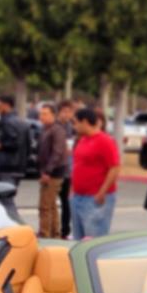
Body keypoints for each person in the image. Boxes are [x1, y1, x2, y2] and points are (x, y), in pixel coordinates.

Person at [71, 107, 120, 239]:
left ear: (85, 122)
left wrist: (102, 192)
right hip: (78, 197)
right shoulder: (82, 140)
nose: (74, 126)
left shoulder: (105, 141)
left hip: (95, 199)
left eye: (75, 122)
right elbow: (77, 165)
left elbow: (114, 167)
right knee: (78, 239)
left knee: (93, 239)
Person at [37, 102, 68, 238]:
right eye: (41, 113)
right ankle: (54, 233)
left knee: (45, 206)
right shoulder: (46, 129)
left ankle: (45, 234)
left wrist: (48, 171)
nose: (42, 116)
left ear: (53, 115)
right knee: (52, 206)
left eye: (45, 114)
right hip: (47, 171)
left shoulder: (57, 130)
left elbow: (57, 152)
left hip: (54, 172)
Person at [0, 96, 30, 183]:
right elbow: (28, 146)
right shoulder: (23, 123)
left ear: (6, 105)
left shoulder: (6, 122)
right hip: (19, 166)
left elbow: (13, 143)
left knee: (4, 193)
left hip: (6, 166)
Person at [56, 100, 76, 239]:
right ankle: (52, 229)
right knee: (51, 202)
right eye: (64, 111)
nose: (67, 114)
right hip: (56, 169)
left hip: (69, 169)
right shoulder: (54, 127)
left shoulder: (73, 128)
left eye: (69, 111)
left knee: (66, 202)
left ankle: (65, 230)